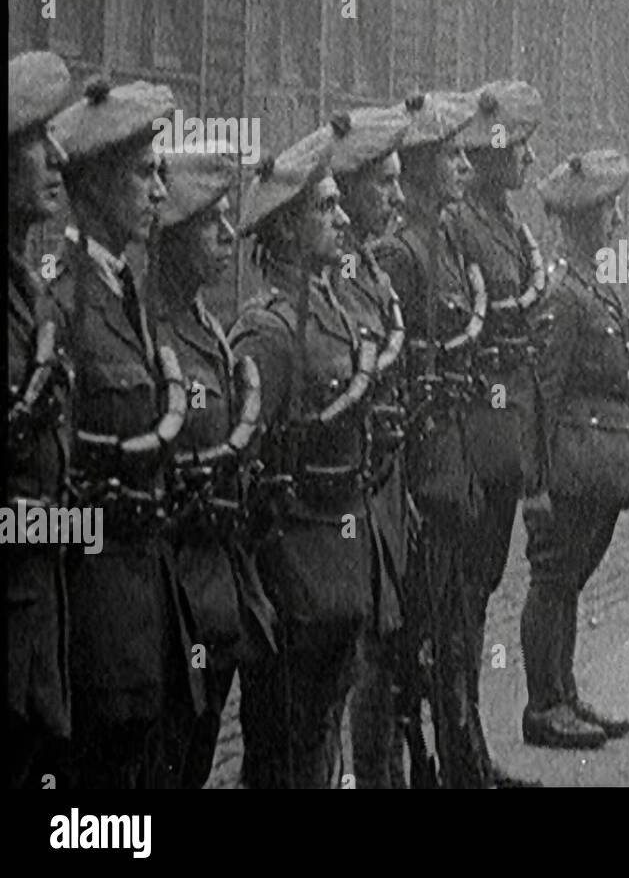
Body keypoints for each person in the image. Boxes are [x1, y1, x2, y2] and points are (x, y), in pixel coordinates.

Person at [47, 77, 190, 788]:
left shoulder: (123, 292)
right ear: (97, 184)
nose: (161, 190)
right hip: (93, 619)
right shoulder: (64, 307)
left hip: (142, 604)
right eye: (144, 172)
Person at [228, 115, 372, 788]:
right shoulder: (268, 330)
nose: (342, 217)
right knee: (282, 746)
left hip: (336, 562)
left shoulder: (331, 313)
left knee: (318, 732)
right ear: (285, 226)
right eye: (326, 205)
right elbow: (243, 468)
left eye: (342, 200)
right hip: (291, 572)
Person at [370, 89, 500, 788]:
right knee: (406, 646)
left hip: (455, 464)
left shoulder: (446, 237)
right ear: (421, 168)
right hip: (420, 474)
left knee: (449, 629)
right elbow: (396, 375)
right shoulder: (401, 252)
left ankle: (462, 763)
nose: (463, 167)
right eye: (450, 156)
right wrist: (407, 492)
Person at [152, 143, 277, 788]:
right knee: (164, 760)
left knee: (194, 756)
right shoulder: (152, 330)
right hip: (170, 595)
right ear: (170, 239)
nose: (229, 236)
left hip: (215, 587)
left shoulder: (205, 324)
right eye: (211, 224)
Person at [521, 150, 629, 748]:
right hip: (566, 470)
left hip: (590, 468)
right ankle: (543, 706)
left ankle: (565, 692)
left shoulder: (588, 287)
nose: (619, 221)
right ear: (585, 219)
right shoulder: (562, 295)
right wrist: (536, 484)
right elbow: (541, 391)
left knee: (568, 580)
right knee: (552, 579)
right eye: (611, 211)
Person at [448, 80, 548, 786]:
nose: (530, 160)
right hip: (474, 429)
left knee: (479, 594)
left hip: (506, 429)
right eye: (521, 149)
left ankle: (469, 749)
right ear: (496, 155)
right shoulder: (461, 224)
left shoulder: (510, 224)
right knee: (459, 600)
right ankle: (459, 755)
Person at [328, 104, 415, 789]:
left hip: (385, 486)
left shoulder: (370, 273)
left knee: (386, 649)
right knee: (356, 660)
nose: (396, 195)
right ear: (349, 189)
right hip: (350, 494)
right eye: (382, 183)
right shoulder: (334, 278)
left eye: (395, 180)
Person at [7, 51, 75, 787]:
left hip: (38, 629)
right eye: (36, 138)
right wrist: (82, 528)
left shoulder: (32, 293)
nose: (58, 156)